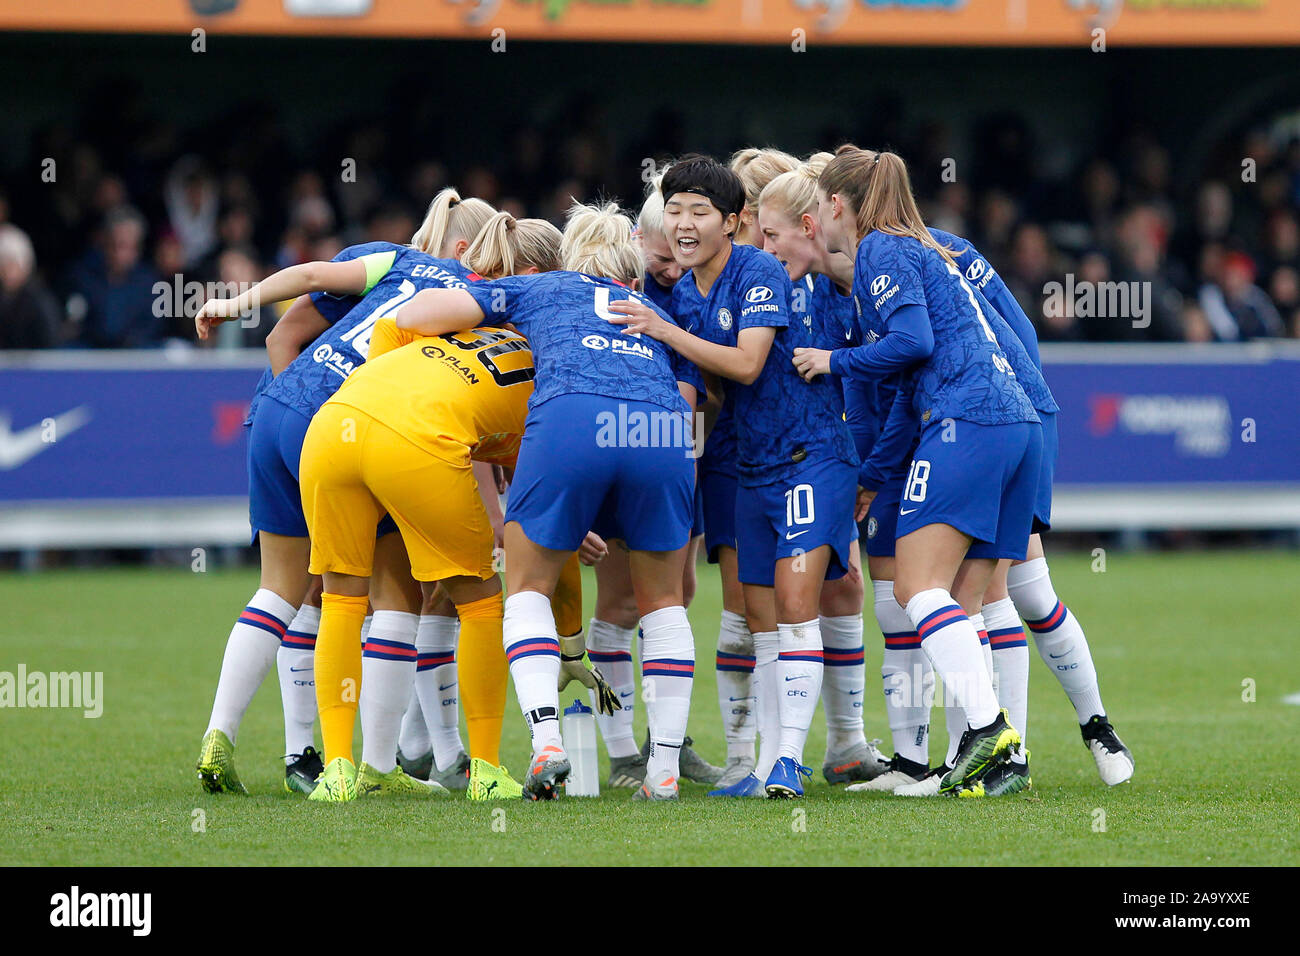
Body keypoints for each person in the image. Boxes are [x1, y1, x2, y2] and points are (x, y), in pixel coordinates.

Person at [192, 188, 499, 796]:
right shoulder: (471, 298)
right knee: (390, 595)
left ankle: (222, 737)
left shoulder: (392, 262)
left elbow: (304, 284)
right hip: (347, 428)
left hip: (278, 409)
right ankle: (374, 770)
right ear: (470, 251)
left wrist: (237, 302)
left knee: (283, 590)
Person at [396, 201, 705, 801]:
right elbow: (690, 393)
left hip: (571, 415)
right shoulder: (651, 309)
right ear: (629, 271)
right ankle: (662, 769)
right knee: (664, 601)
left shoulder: (542, 287)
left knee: (528, 588)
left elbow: (420, 312)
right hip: (664, 428)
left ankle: (547, 744)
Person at [293, 218, 580, 803]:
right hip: (415, 441)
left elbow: (393, 328)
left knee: (342, 597)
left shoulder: (451, 318)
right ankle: (484, 769)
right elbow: (543, 522)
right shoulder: (554, 363)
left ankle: (340, 770)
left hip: (334, 423)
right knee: (479, 601)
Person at [609, 155, 860, 799]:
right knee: (760, 616)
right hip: (752, 468)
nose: (685, 226)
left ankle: (792, 762)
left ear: (733, 221)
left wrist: (664, 331)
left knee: (798, 606)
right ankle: (764, 763)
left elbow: (747, 364)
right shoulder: (687, 295)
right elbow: (703, 390)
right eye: (676, 211)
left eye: (699, 212)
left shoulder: (758, 270)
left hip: (811, 455)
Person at [793, 146, 1037, 796]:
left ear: (837, 205)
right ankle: (992, 760)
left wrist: (831, 362)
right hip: (1015, 425)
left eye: (818, 206)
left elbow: (915, 345)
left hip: (968, 421)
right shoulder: (918, 249)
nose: (816, 219)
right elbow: (905, 385)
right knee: (963, 602)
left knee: (916, 590)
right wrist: (873, 477)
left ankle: (988, 730)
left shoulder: (882, 250)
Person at [756, 155, 892, 785]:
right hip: (756, 462)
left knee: (810, 595)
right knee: (754, 604)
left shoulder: (850, 280)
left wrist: (867, 464)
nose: (761, 243)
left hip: (823, 461)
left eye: (770, 230)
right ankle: (758, 755)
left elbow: (889, 357)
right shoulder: (757, 280)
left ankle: (813, 751)